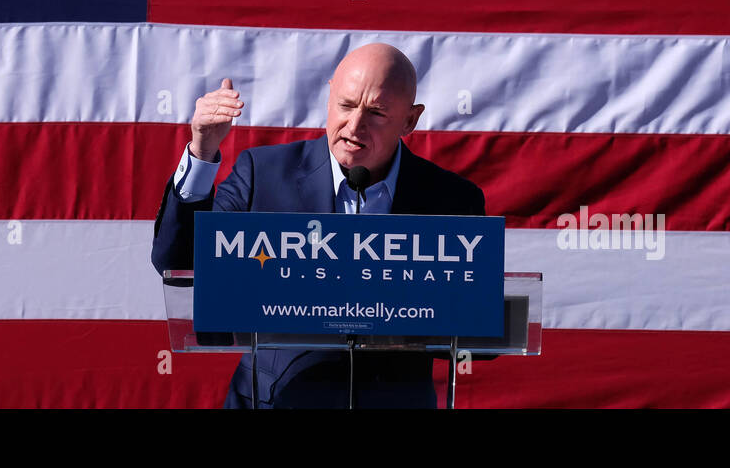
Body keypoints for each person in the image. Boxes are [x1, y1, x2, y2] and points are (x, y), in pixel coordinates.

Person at [150, 42, 486, 408]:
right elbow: (179, 264)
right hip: (278, 399)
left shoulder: (453, 200)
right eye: (345, 105)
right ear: (329, 98)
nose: (354, 126)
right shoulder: (262, 174)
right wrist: (201, 152)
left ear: (409, 120)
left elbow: (479, 331)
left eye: (376, 113)